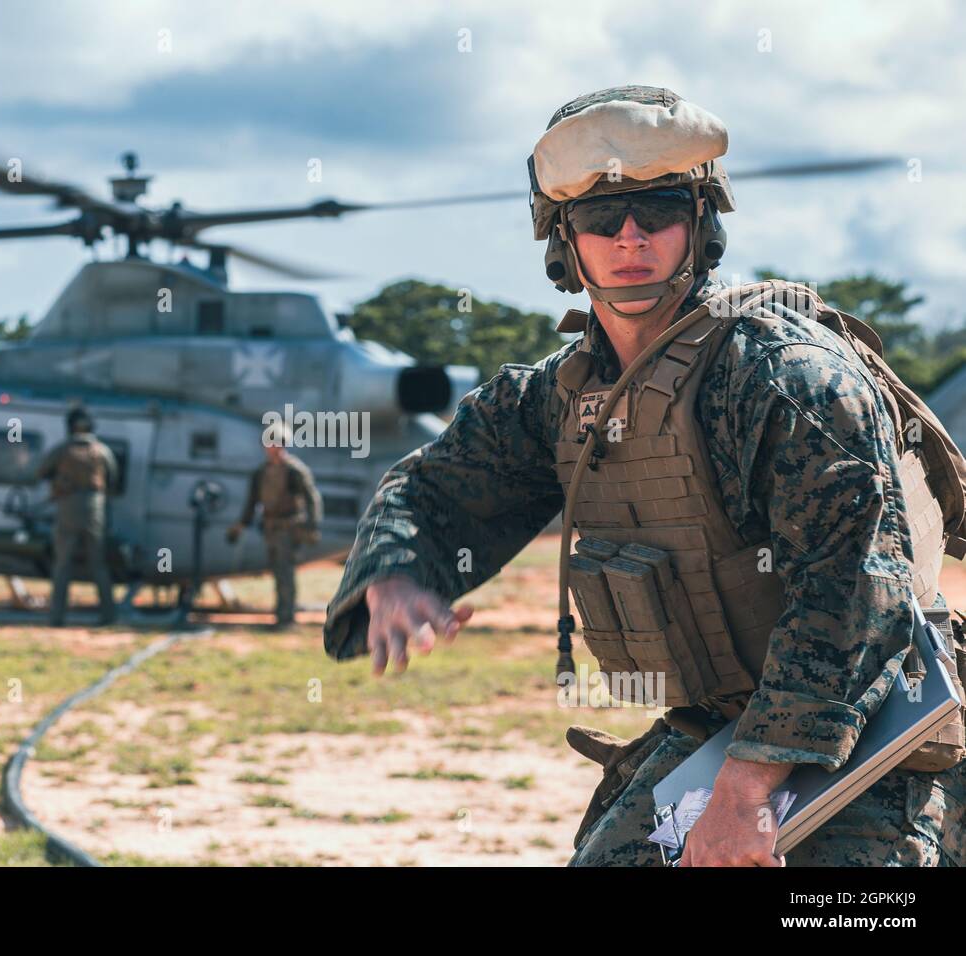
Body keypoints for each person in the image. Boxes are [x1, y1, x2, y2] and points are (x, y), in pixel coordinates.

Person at [322, 86, 966, 867]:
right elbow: (433, 490)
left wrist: (743, 794)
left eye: (657, 211)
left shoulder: (783, 377)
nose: (631, 236)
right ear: (564, 242)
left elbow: (853, 597)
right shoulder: (559, 398)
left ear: (700, 226)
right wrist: (397, 575)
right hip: (728, 729)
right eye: (601, 219)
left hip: (879, 728)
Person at [228, 428, 322, 626]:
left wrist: (312, 526)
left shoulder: (295, 470)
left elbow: (311, 498)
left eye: (276, 443)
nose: (272, 447)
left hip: (289, 529)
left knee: (285, 571)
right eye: (269, 443)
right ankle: (282, 613)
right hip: (270, 528)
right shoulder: (260, 473)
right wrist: (240, 526)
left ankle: (285, 617)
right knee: (278, 571)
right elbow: (252, 502)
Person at [37, 406, 118, 626]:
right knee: (99, 564)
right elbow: (113, 478)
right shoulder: (101, 451)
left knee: (62, 565)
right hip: (95, 508)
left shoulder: (63, 450)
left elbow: (41, 471)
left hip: (68, 508)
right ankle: (108, 616)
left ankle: (56, 618)